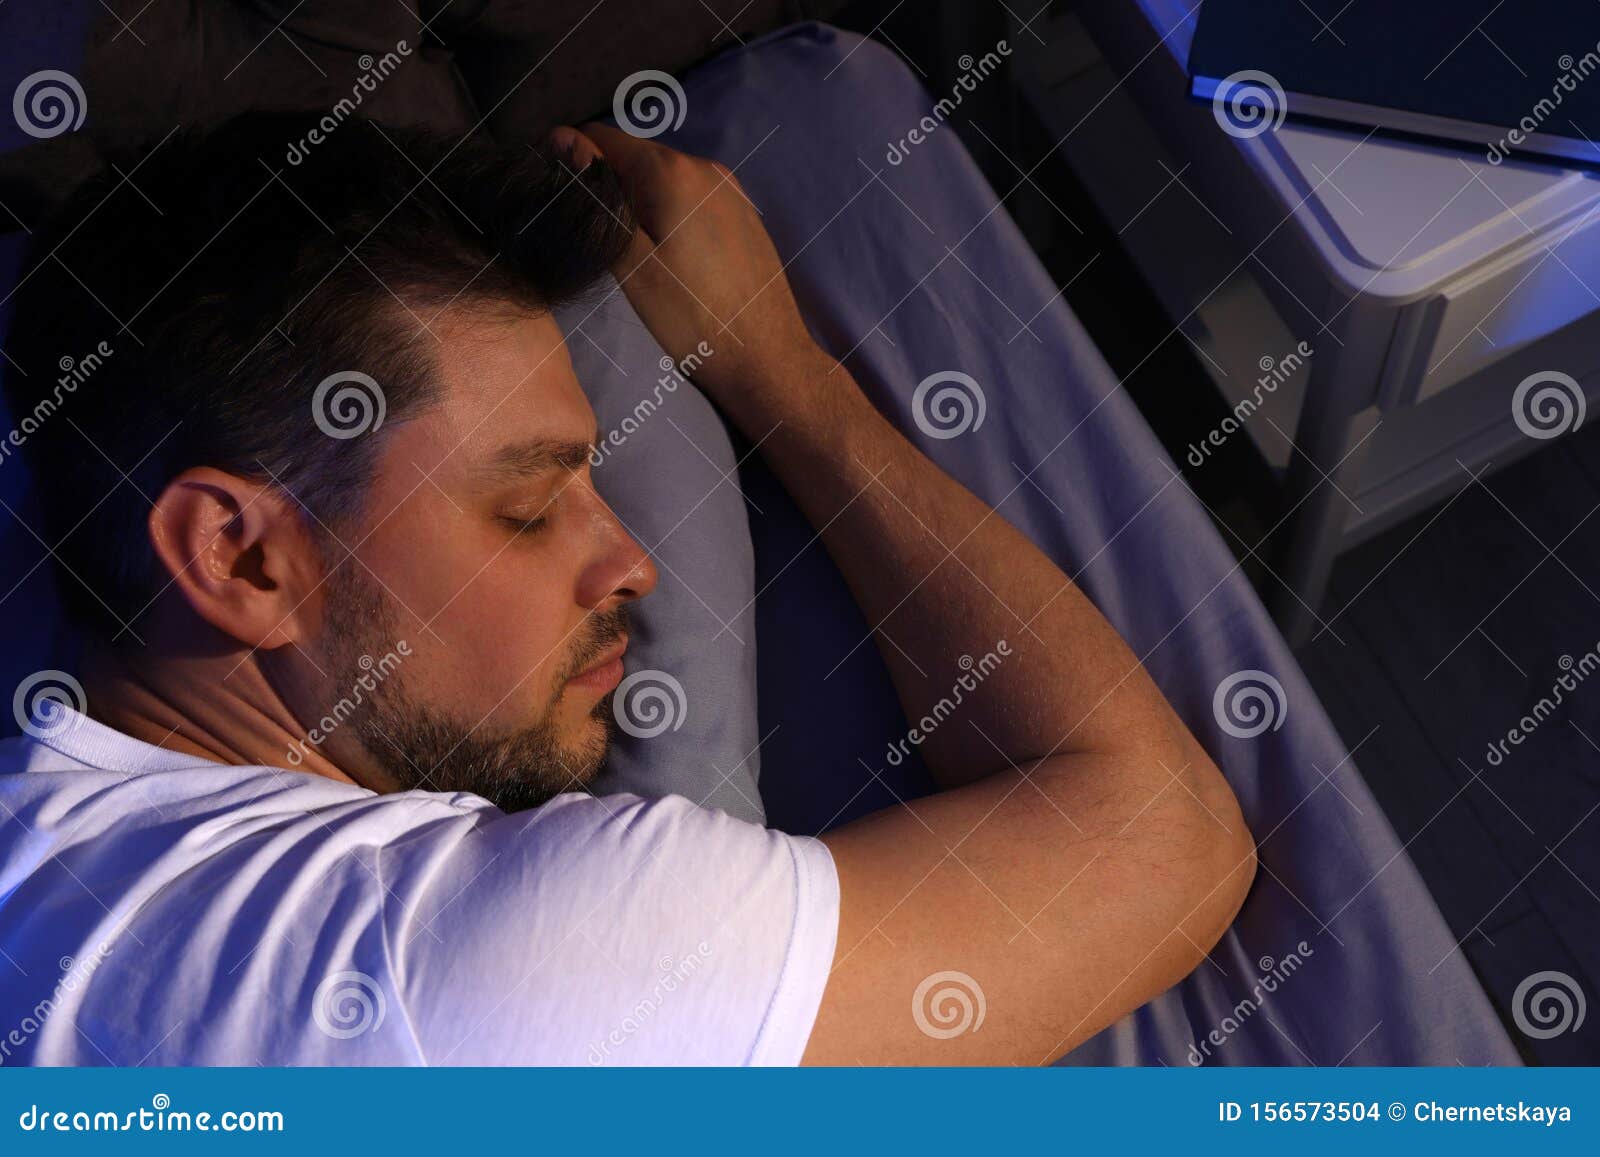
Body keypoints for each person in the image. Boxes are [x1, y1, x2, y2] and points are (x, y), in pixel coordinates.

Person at [0, 113, 1254, 1066]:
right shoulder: (490, 963)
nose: (632, 562)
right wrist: (783, 374)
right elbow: (1169, 844)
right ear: (240, 557)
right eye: (528, 508)